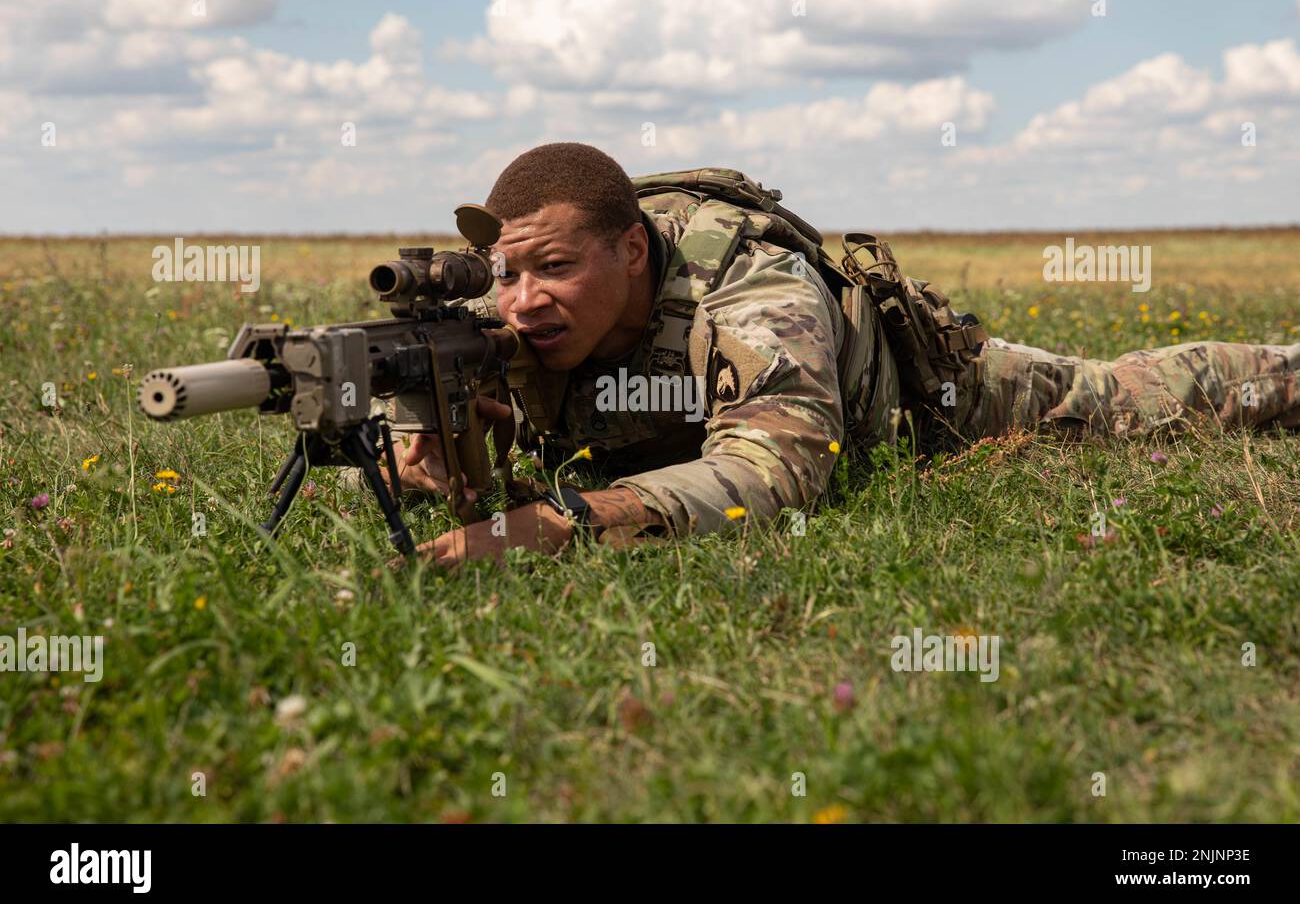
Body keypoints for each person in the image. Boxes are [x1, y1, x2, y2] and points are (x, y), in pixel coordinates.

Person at [388, 143, 1299, 567]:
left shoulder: (749, 285)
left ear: (632, 251)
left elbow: (781, 466)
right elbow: (418, 413)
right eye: (507, 272)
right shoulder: (506, 309)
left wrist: (559, 522)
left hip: (940, 399)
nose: (521, 300)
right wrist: (420, 435)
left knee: (1137, 394)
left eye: (553, 268)